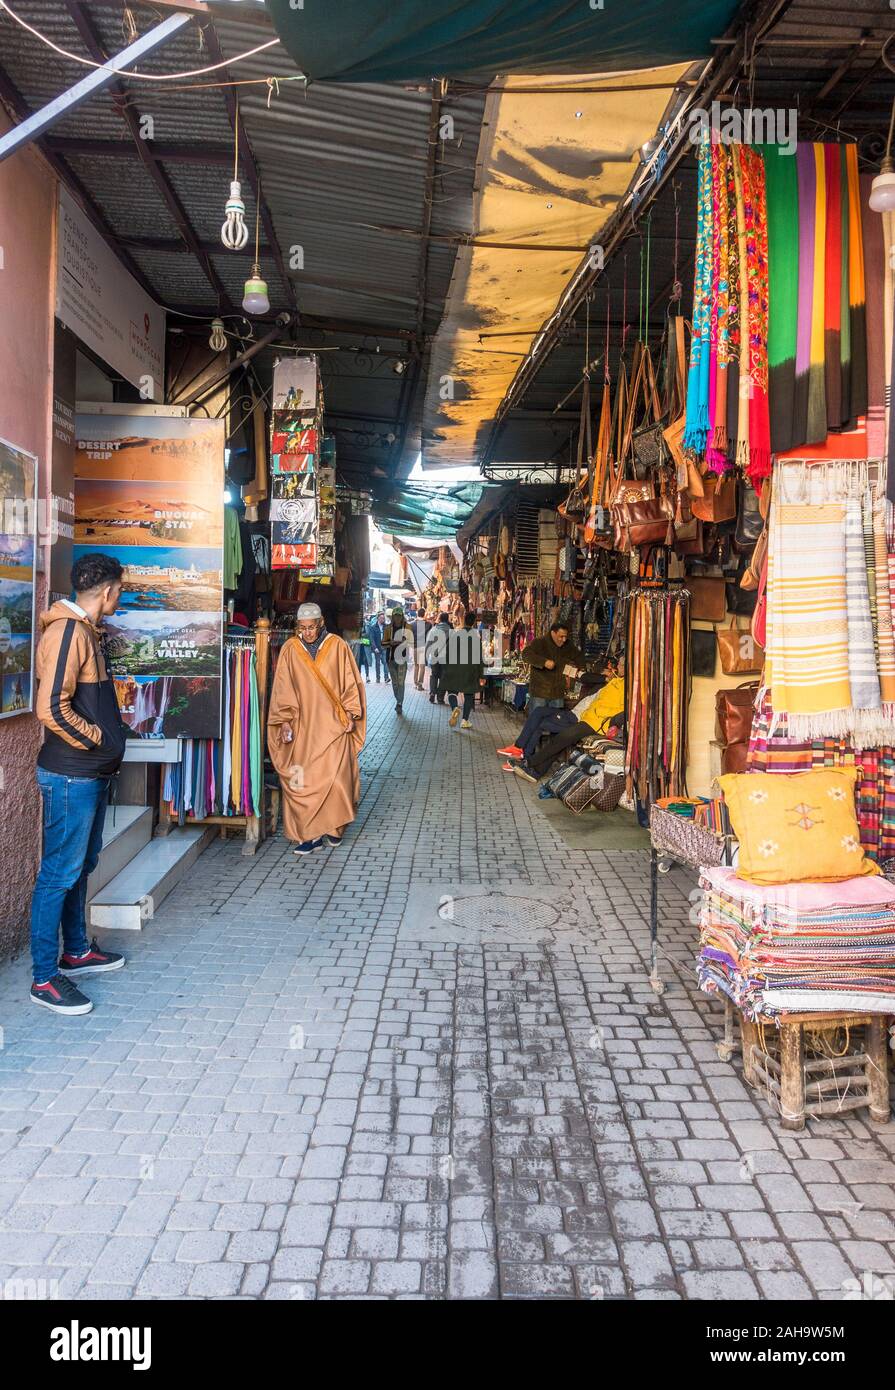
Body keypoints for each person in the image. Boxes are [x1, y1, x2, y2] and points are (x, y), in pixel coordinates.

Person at [30, 553, 129, 1015]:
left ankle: (75, 952)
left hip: (86, 774)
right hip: (71, 774)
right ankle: (44, 979)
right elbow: (51, 707)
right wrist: (97, 740)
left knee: (79, 866)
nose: (120, 597)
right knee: (58, 874)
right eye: (119, 590)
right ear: (107, 591)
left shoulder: (84, 630)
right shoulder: (68, 631)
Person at [268, 602, 367, 855]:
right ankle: (308, 836)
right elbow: (282, 688)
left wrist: (351, 713)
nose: (307, 633)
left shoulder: (337, 646)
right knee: (302, 781)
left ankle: (334, 829)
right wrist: (285, 721)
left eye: (311, 628)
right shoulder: (290, 649)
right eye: (302, 629)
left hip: (335, 727)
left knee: (336, 780)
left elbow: (350, 681)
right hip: (303, 730)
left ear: (321, 623)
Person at [510, 670, 625, 782]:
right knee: (560, 740)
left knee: (562, 737)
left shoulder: (626, 687)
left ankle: (530, 762)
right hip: (589, 718)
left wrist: (602, 713)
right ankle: (536, 772)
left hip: (599, 723)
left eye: (620, 664)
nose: (617, 667)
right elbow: (588, 682)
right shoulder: (615, 682)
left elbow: (622, 709)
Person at [520, 621, 587, 711]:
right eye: (561, 636)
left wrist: (581, 669)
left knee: (555, 722)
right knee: (537, 720)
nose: (563, 639)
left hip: (558, 693)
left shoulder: (568, 645)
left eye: (565, 637)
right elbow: (525, 654)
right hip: (540, 693)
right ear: (553, 633)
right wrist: (544, 662)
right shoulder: (539, 642)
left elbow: (578, 656)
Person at [439, 612, 485, 729]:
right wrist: (481, 675)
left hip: (453, 668)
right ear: (474, 622)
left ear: (464, 620)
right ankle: (464, 720)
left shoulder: (456, 634)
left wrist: (445, 668)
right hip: (470, 671)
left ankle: (455, 707)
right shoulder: (475, 638)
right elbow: (479, 659)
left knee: (452, 691)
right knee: (469, 695)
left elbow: (446, 652)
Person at [385, 605, 411, 715]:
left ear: (402, 617)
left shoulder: (407, 627)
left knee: (401, 682)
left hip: (402, 659)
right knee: (395, 683)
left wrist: (400, 641)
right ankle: (398, 700)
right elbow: (383, 643)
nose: (397, 618)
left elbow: (409, 640)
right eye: (395, 616)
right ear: (392, 617)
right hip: (391, 659)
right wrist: (390, 643)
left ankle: (399, 703)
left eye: (399, 616)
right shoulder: (387, 628)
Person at [426, 610, 451, 704]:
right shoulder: (450, 630)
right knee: (443, 678)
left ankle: (432, 693)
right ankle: (440, 698)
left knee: (434, 675)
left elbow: (428, 643)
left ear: (439, 619)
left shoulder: (434, 629)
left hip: (434, 656)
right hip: (445, 658)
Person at [367, 611, 388, 684]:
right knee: (378, 663)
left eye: (383, 618)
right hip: (377, 648)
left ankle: (386, 678)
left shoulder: (386, 627)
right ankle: (378, 678)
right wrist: (374, 647)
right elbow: (371, 638)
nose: (383, 619)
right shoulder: (373, 627)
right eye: (382, 618)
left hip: (384, 647)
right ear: (378, 618)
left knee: (385, 662)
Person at [411, 613, 429, 691]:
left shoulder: (412, 624)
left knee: (416, 665)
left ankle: (415, 683)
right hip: (423, 647)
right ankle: (420, 685)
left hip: (415, 647)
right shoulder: (428, 624)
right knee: (422, 666)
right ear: (424, 614)